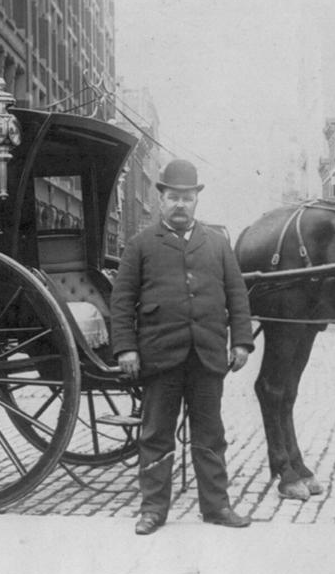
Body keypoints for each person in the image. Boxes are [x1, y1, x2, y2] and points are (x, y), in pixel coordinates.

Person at [110, 159, 256, 535]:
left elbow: (237, 296)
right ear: (161, 199)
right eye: (173, 197)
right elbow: (122, 300)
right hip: (161, 356)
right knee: (156, 434)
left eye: (187, 198)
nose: (180, 205)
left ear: (196, 201)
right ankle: (153, 511)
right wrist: (126, 348)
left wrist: (240, 342)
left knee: (211, 435)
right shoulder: (141, 245)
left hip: (207, 356)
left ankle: (217, 507)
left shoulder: (218, 245)